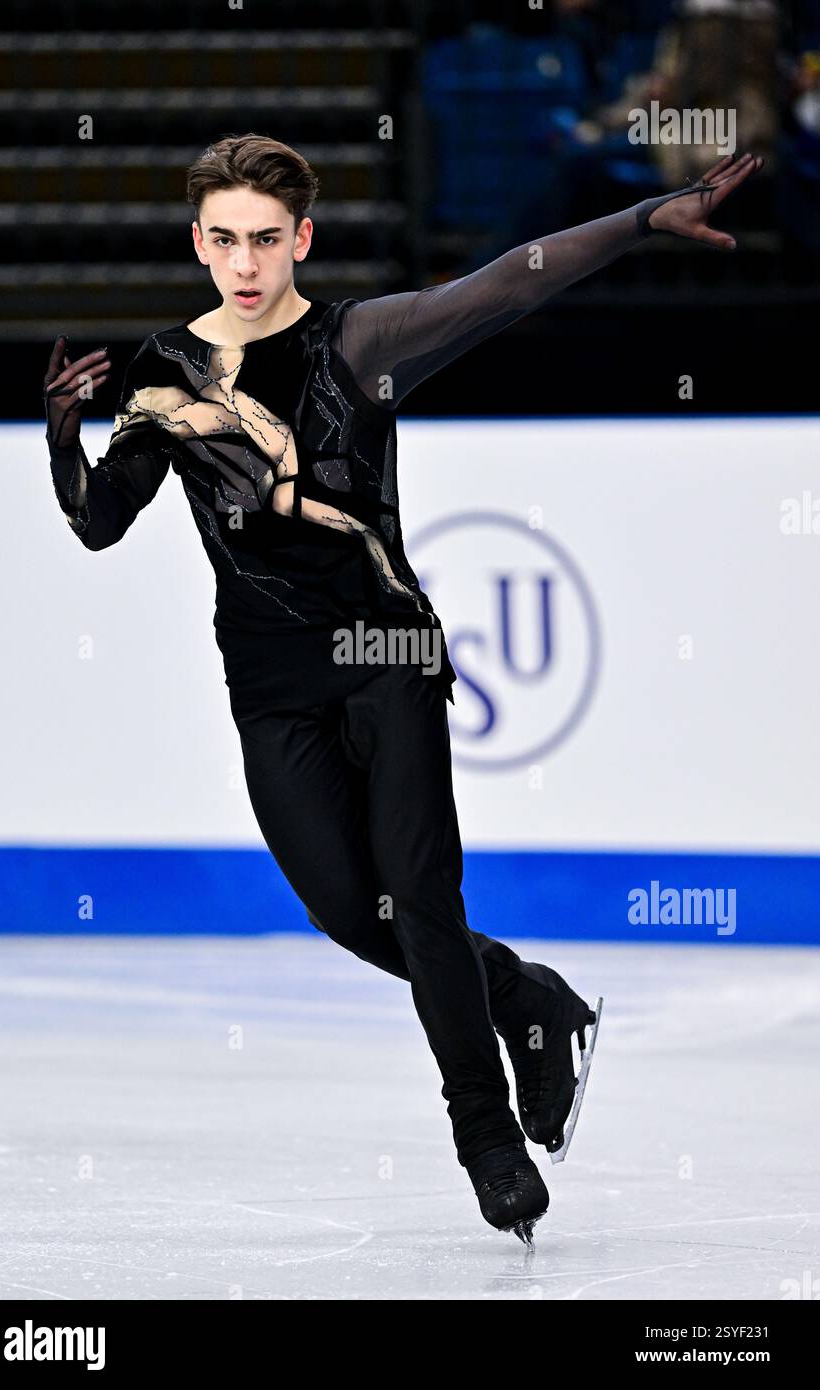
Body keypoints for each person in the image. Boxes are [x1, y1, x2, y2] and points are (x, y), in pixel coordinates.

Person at [43, 134, 762, 1244]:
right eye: (225, 240)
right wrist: (62, 439)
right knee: (352, 913)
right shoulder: (164, 371)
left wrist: (637, 220)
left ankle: (488, 1141)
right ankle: (529, 1001)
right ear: (198, 243)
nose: (245, 262)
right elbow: (99, 522)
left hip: (386, 656)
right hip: (270, 686)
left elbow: (504, 284)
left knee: (421, 900)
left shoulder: (358, 345)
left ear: (302, 238)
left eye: (266, 239)